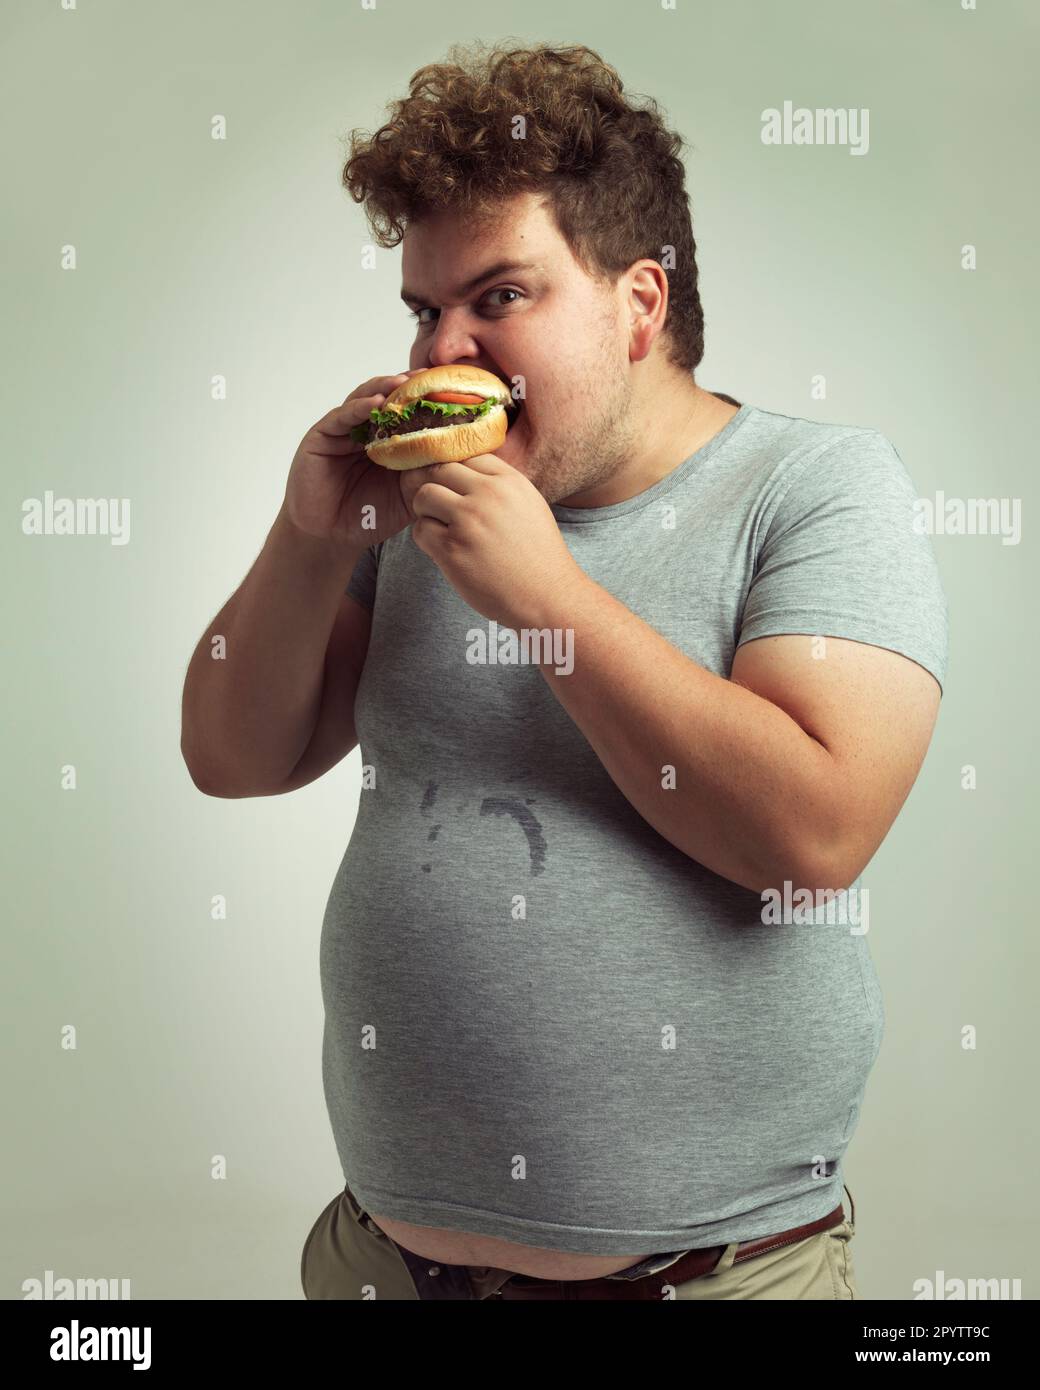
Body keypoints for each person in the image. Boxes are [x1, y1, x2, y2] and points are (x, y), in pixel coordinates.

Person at [180, 42, 947, 1300]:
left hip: (711, 1279)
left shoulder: (814, 487)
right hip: (381, 1260)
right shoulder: (431, 503)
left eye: (498, 298)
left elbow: (815, 834)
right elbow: (232, 758)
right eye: (425, 310)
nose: (442, 355)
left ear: (641, 300)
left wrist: (542, 597)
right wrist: (308, 537)